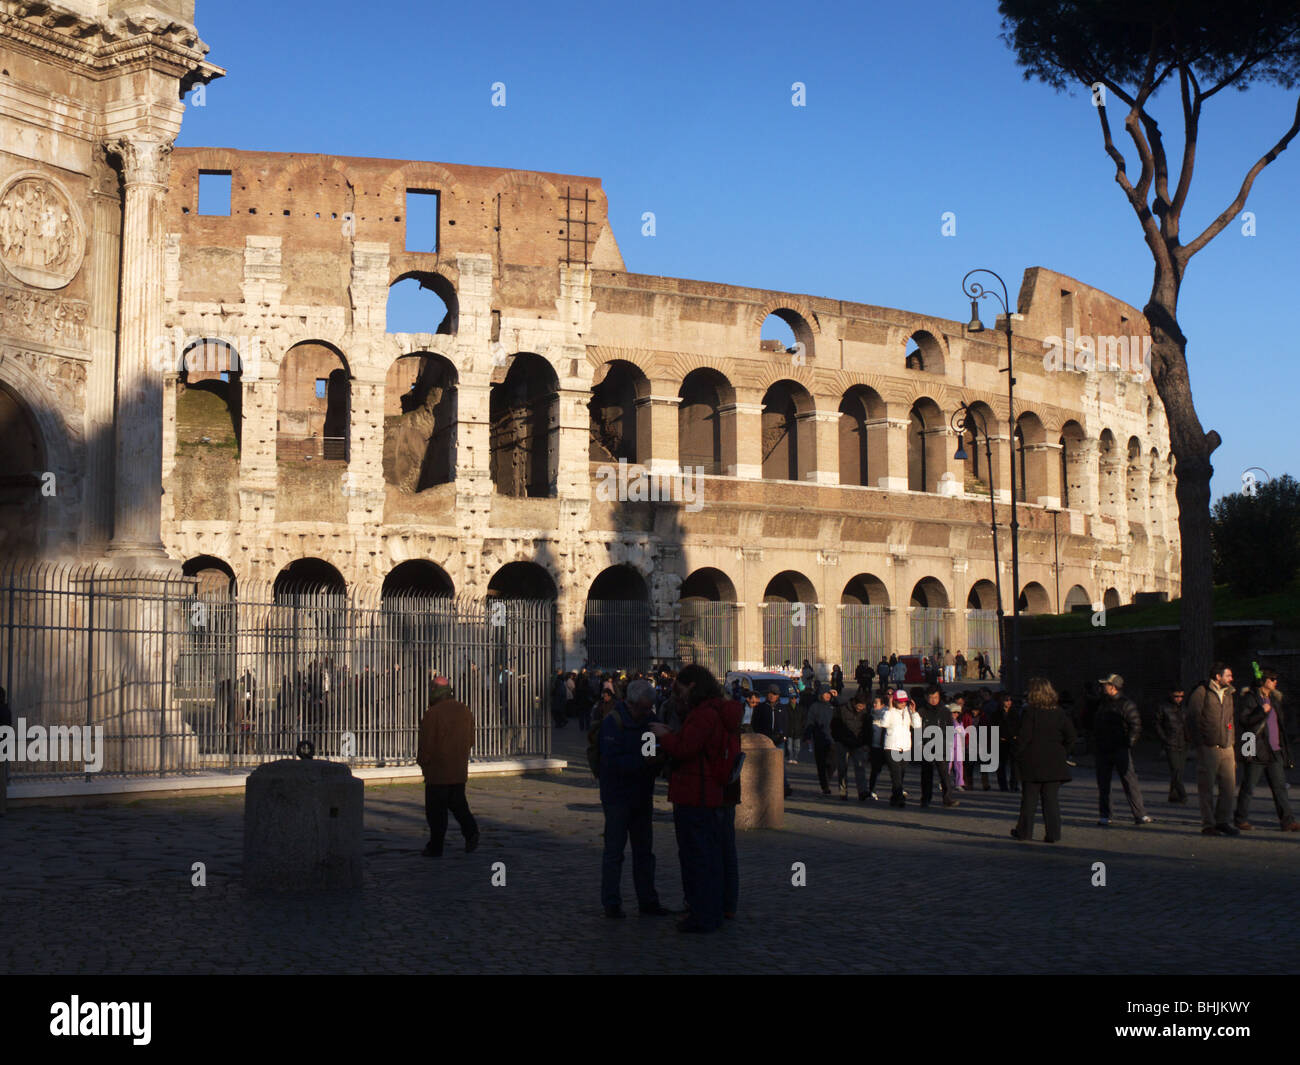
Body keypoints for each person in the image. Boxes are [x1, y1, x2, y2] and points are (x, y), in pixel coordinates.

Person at [649, 664, 742, 934]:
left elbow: (686, 748)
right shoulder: (720, 711)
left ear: (692, 686)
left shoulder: (704, 714)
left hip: (695, 793)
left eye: (681, 688)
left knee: (697, 857)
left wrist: (665, 737)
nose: (679, 694)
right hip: (711, 792)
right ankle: (715, 909)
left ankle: (703, 915)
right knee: (711, 856)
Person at [598, 678, 671, 917]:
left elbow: (651, 751)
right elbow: (609, 762)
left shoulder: (649, 720)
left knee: (644, 852)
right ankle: (611, 902)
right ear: (630, 704)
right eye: (643, 708)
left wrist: (656, 760)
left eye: (649, 707)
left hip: (641, 794)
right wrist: (643, 762)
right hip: (617, 796)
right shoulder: (613, 722)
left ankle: (648, 900)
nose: (647, 712)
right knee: (614, 851)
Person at [417, 675, 480, 857]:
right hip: (458, 769)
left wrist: (423, 762)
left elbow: (426, 745)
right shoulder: (464, 710)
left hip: (438, 771)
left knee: (436, 812)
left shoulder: (433, 713)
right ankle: (471, 832)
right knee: (459, 805)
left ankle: (435, 847)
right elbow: (471, 740)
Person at [1010, 677, 1077, 842]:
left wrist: (1017, 752)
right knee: (1051, 801)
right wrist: (1063, 753)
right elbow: (1072, 736)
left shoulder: (1030, 712)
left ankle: (1025, 832)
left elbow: (1024, 737)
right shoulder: (1059, 712)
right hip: (1054, 761)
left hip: (1033, 761)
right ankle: (1053, 834)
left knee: (1029, 801)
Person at [1234, 668, 1297, 832]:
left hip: (1274, 749)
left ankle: (1287, 821)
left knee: (1280, 787)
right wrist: (1262, 711)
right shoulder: (1251, 699)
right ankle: (1240, 819)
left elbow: (1280, 725)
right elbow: (1245, 721)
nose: (1275, 682)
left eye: (1276, 679)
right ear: (1263, 681)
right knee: (1249, 786)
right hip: (1257, 749)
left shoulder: (1274, 699)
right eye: (1272, 679)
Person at [1093, 673, 1152, 826]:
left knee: (1130, 782)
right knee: (1104, 785)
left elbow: (1136, 726)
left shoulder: (1126, 704)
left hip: (1120, 749)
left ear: (1113, 687)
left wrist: (1128, 743)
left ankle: (1140, 814)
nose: (1103, 687)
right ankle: (1105, 815)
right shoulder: (1102, 704)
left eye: (1106, 684)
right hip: (1103, 749)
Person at [1189, 662, 1239, 836]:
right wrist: (1200, 743)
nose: (1231, 679)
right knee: (1207, 787)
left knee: (1229, 786)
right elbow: (1193, 719)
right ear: (1218, 676)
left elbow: (1231, 718)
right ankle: (1208, 824)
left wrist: (1231, 740)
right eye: (1228, 675)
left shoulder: (1229, 693)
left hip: (1227, 746)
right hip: (1208, 747)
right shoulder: (1201, 692)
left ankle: (1223, 821)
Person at [917, 684, 960, 808]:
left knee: (944, 774)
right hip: (926, 747)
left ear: (939, 696)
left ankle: (948, 798)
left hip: (941, 746)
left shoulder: (945, 711)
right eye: (931, 697)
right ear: (926, 697)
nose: (933, 700)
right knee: (926, 775)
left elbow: (950, 729)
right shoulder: (921, 711)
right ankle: (925, 798)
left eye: (936, 697)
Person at [879, 690, 920, 807]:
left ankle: (894, 797)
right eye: (900, 702)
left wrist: (914, 712)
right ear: (894, 701)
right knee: (896, 773)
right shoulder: (888, 711)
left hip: (906, 746)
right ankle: (900, 798)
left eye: (904, 702)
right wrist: (890, 708)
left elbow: (917, 726)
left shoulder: (908, 711)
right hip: (891, 746)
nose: (903, 704)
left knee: (900, 774)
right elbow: (884, 723)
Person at [830, 690, 871, 800]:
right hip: (842, 742)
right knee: (842, 768)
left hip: (858, 744)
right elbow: (834, 726)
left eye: (863, 706)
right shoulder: (842, 709)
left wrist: (866, 743)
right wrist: (837, 740)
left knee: (860, 767)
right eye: (860, 706)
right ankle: (843, 791)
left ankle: (862, 791)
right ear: (855, 703)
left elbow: (867, 729)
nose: (861, 708)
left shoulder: (865, 713)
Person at [752, 685, 791, 797]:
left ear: (778, 695)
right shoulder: (761, 707)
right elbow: (755, 723)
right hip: (764, 740)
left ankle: (784, 786)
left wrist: (784, 735)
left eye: (774, 694)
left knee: (780, 765)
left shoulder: (782, 708)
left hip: (779, 740)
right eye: (770, 693)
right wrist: (759, 735)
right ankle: (763, 787)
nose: (771, 695)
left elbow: (786, 723)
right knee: (763, 764)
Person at [1154, 687, 1190, 803]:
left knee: (1179, 770)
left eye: (1181, 696)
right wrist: (1164, 738)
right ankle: (1182, 794)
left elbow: (1187, 724)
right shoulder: (1163, 707)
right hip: (1171, 742)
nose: (1179, 699)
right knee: (1175, 770)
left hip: (1183, 742)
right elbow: (1157, 724)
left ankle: (1173, 794)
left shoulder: (1183, 708)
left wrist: (1189, 737)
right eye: (1176, 696)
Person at [806, 686, 838, 795]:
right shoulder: (815, 707)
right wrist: (808, 736)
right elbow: (809, 722)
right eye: (826, 693)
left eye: (829, 693)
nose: (828, 695)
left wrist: (835, 698)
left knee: (833, 763)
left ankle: (826, 780)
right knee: (821, 764)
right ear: (821, 695)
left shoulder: (833, 706)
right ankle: (825, 786)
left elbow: (841, 710)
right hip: (819, 739)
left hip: (832, 739)